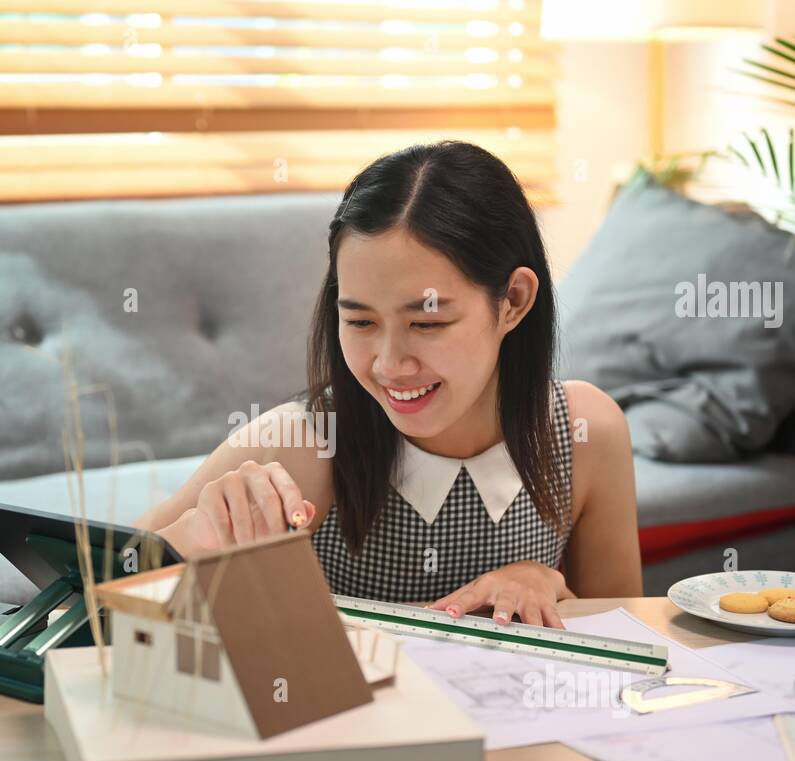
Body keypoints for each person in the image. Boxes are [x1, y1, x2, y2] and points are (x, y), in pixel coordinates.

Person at [135, 141, 641, 629]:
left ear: (513, 300)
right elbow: (101, 583)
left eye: (426, 323)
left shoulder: (584, 432)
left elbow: (631, 639)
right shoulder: (303, 443)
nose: (390, 364)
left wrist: (547, 583)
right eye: (360, 323)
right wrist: (195, 536)